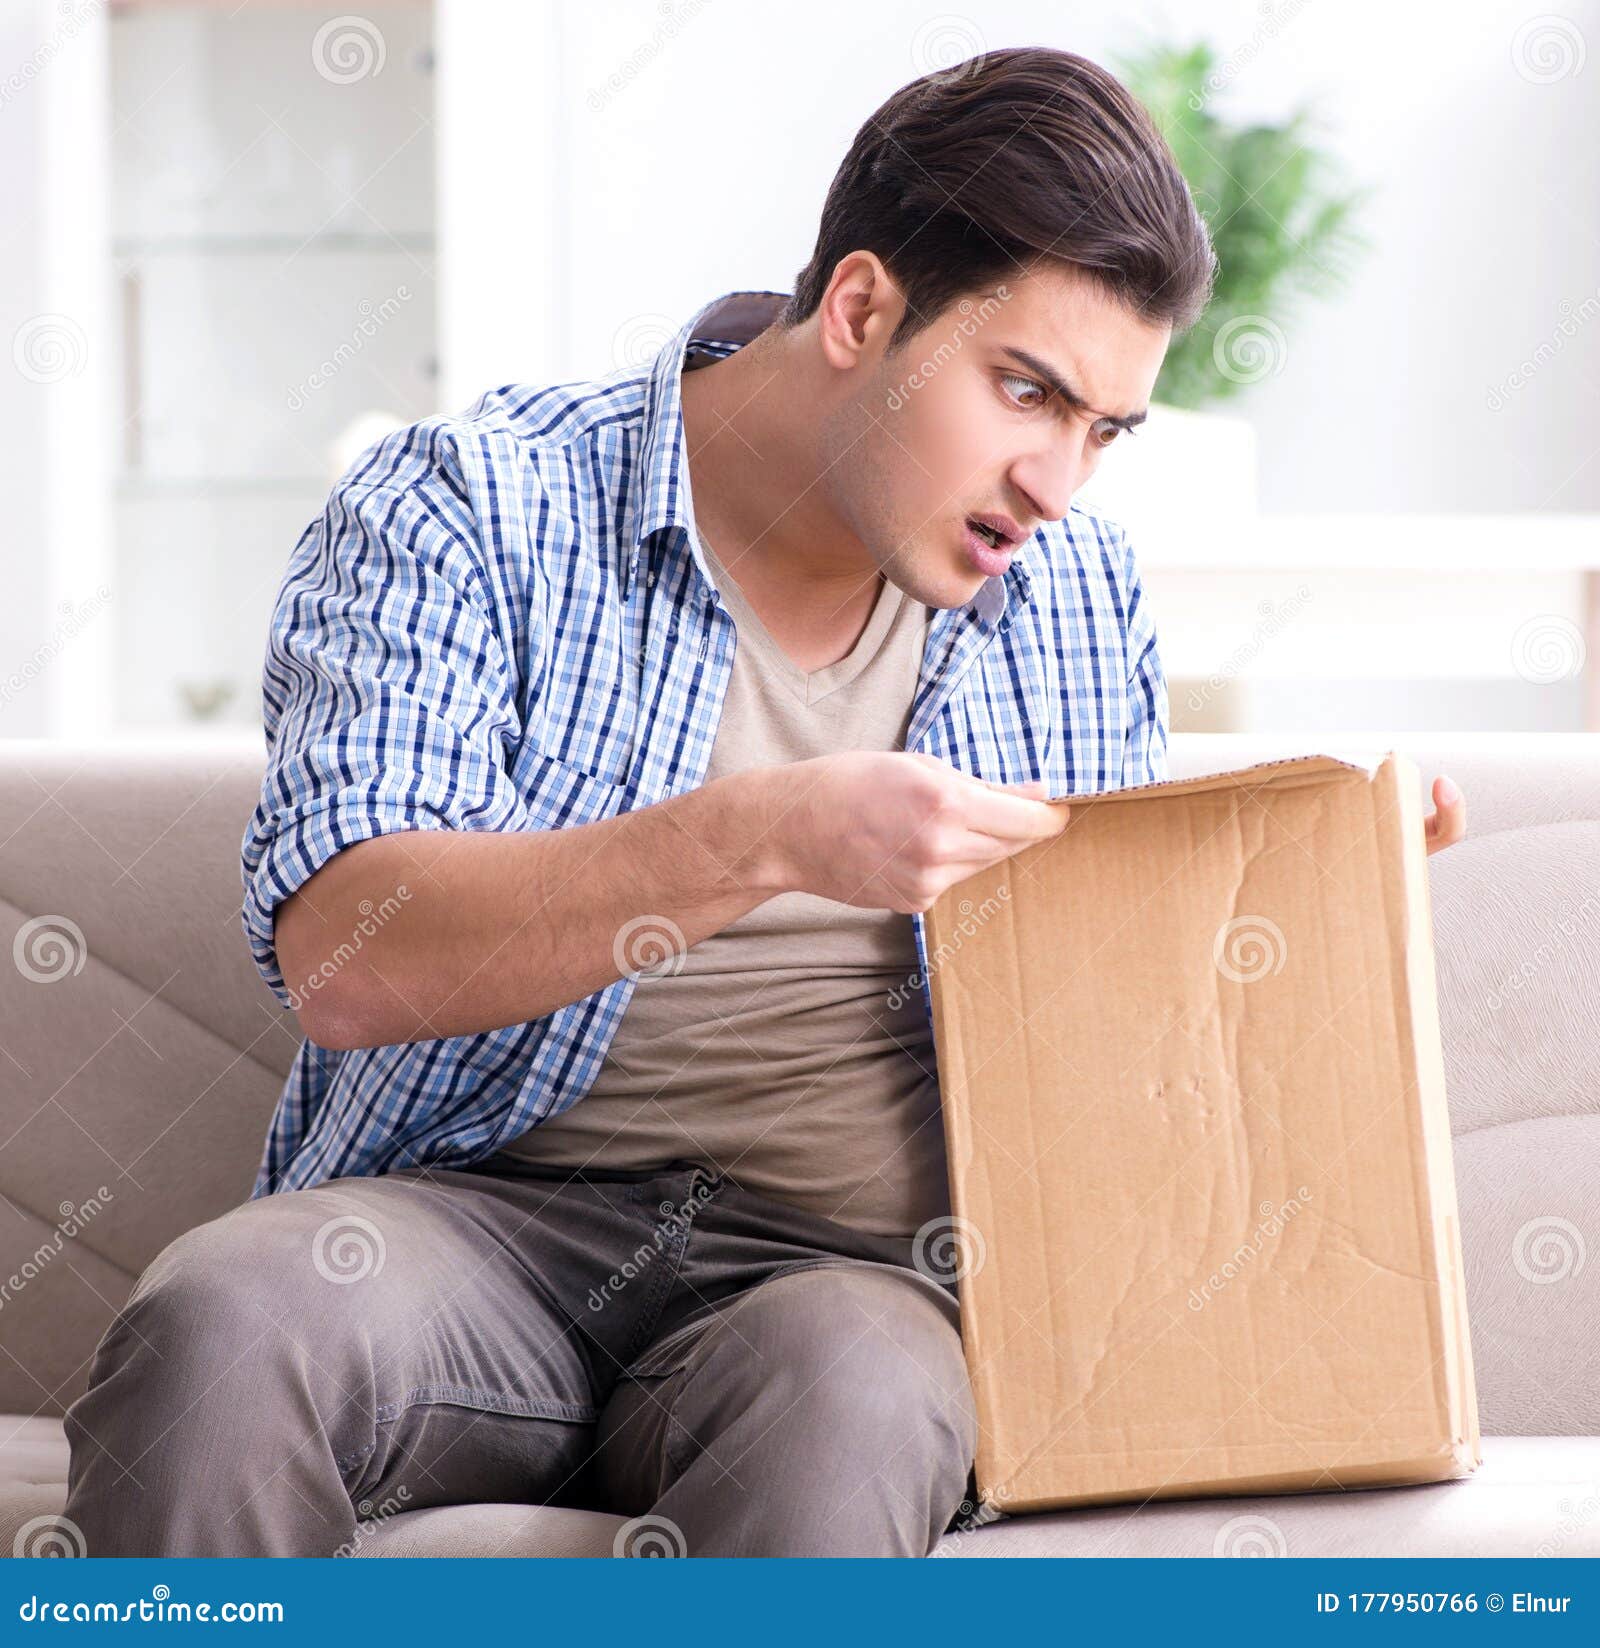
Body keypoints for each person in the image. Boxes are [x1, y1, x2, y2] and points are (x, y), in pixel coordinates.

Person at [61, 46, 1466, 1558]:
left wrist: (1310, 897)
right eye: (1026, 392)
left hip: (853, 1275)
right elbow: (348, 955)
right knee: (223, 1328)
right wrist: (767, 833)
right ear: (861, 311)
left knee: (851, 1401)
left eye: (1105, 430)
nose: (1059, 480)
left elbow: (1113, 1037)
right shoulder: (469, 508)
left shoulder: (1073, 592)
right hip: (470, 1227)